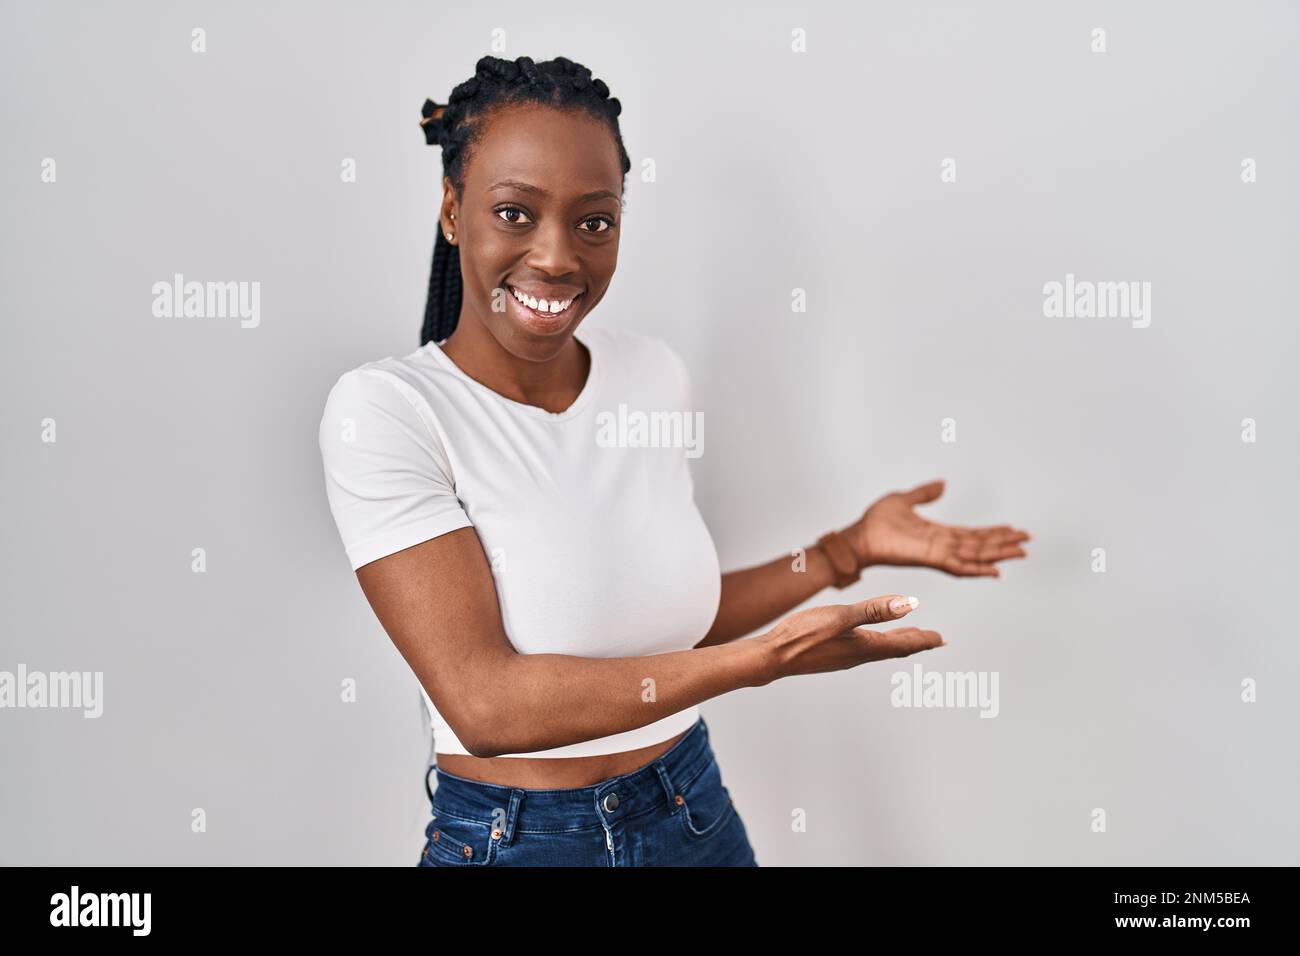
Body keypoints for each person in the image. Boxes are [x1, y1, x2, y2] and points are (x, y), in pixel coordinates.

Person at [317, 54, 1031, 866]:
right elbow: (484, 704)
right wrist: (759, 665)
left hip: (692, 811)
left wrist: (846, 551)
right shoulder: (388, 411)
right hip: (521, 842)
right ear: (453, 210)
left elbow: (662, 626)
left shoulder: (651, 375)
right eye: (516, 213)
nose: (556, 257)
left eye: (594, 221)